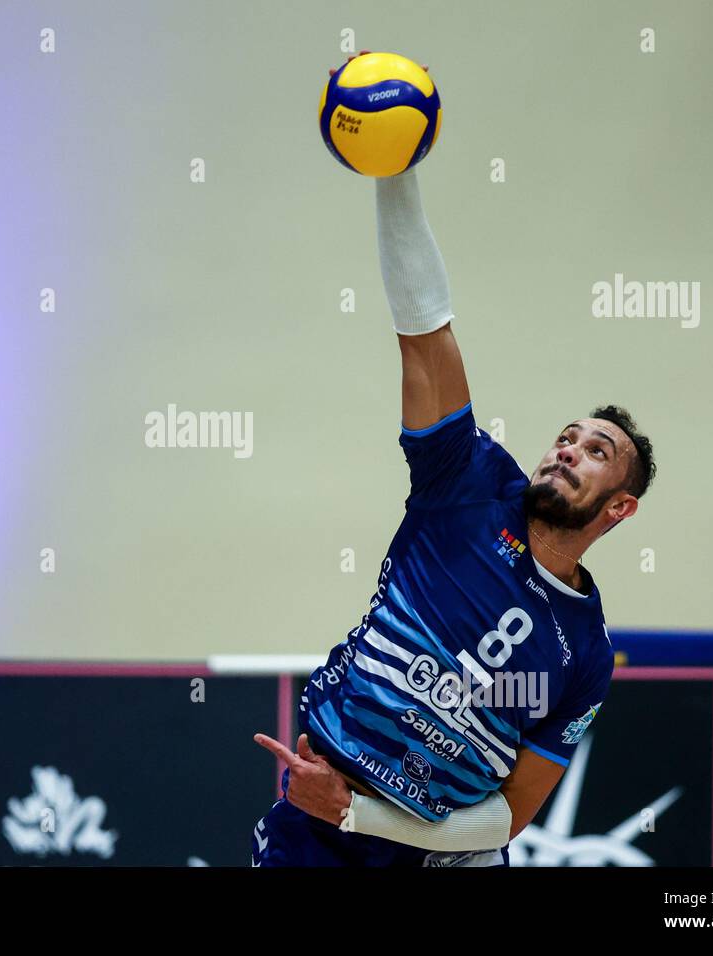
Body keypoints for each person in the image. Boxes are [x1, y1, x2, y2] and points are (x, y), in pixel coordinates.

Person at [251, 59, 656, 867]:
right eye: (568, 436)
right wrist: (394, 173)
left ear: (619, 509)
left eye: (597, 451)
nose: (569, 447)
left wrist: (363, 817)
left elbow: (507, 821)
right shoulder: (468, 485)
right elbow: (424, 334)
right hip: (320, 807)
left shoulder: (582, 654)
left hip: (434, 854)